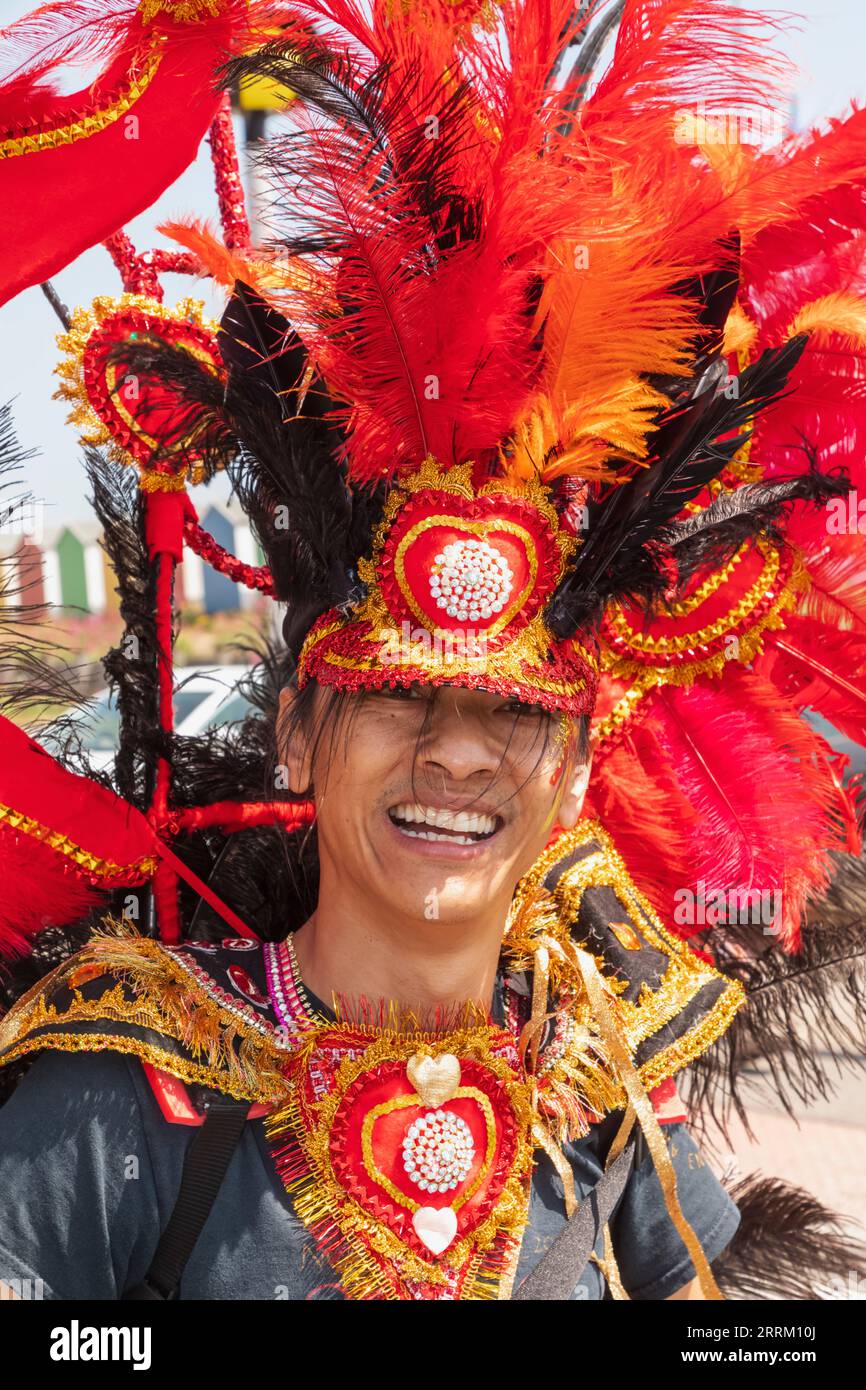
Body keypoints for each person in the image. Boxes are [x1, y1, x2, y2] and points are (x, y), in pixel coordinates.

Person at [0, 0, 865, 1302]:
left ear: (577, 766)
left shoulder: (603, 1082)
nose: (457, 749)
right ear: (298, 728)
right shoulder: (114, 1099)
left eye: (514, 714)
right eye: (399, 695)